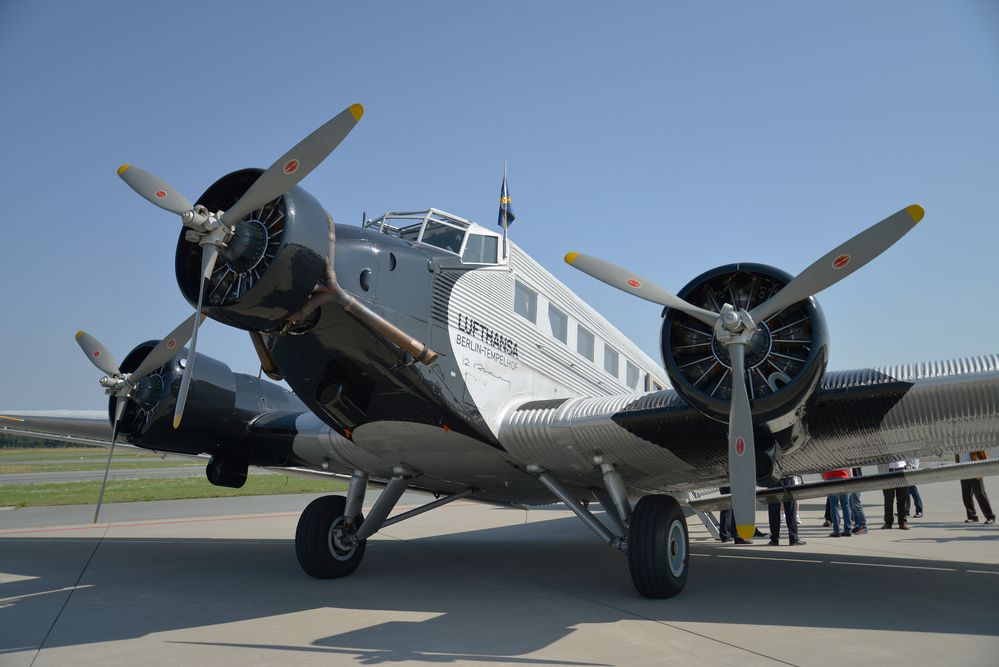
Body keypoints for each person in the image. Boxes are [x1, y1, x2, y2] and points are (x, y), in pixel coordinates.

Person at [957, 450, 996, 524]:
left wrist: (984, 467)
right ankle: (972, 517)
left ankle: (990, 516)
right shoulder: (959, 444)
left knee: (980, 494)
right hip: (962, 470)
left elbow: (983, 453)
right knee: (966, 496)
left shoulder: (973, 442)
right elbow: (957, 456)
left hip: (975, 469)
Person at [767, 477, 805, 546]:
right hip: (786, 477)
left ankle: (774, 539)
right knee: (790, 509)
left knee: (773, 510)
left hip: (772, 478)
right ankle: (793, 538)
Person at [879, 459, 909, 530]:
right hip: (887, 471)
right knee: (888, 500)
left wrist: (910, 467)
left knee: (902, 499)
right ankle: (888, 523)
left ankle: (902, 522)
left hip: (902, 470)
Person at [822, 469, 852, 537]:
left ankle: (836, 530)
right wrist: (850, 478)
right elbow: (848, 466)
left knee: (834, 505)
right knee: (846, 505)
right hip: (843, 477)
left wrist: (824, 477)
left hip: (830, 477)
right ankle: (848, 529)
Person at [849, 467, 867, 534]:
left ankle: (863, 526)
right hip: (854, 481)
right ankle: (857, 525)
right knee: (852, 504)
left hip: (856, 481)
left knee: (856, 504)